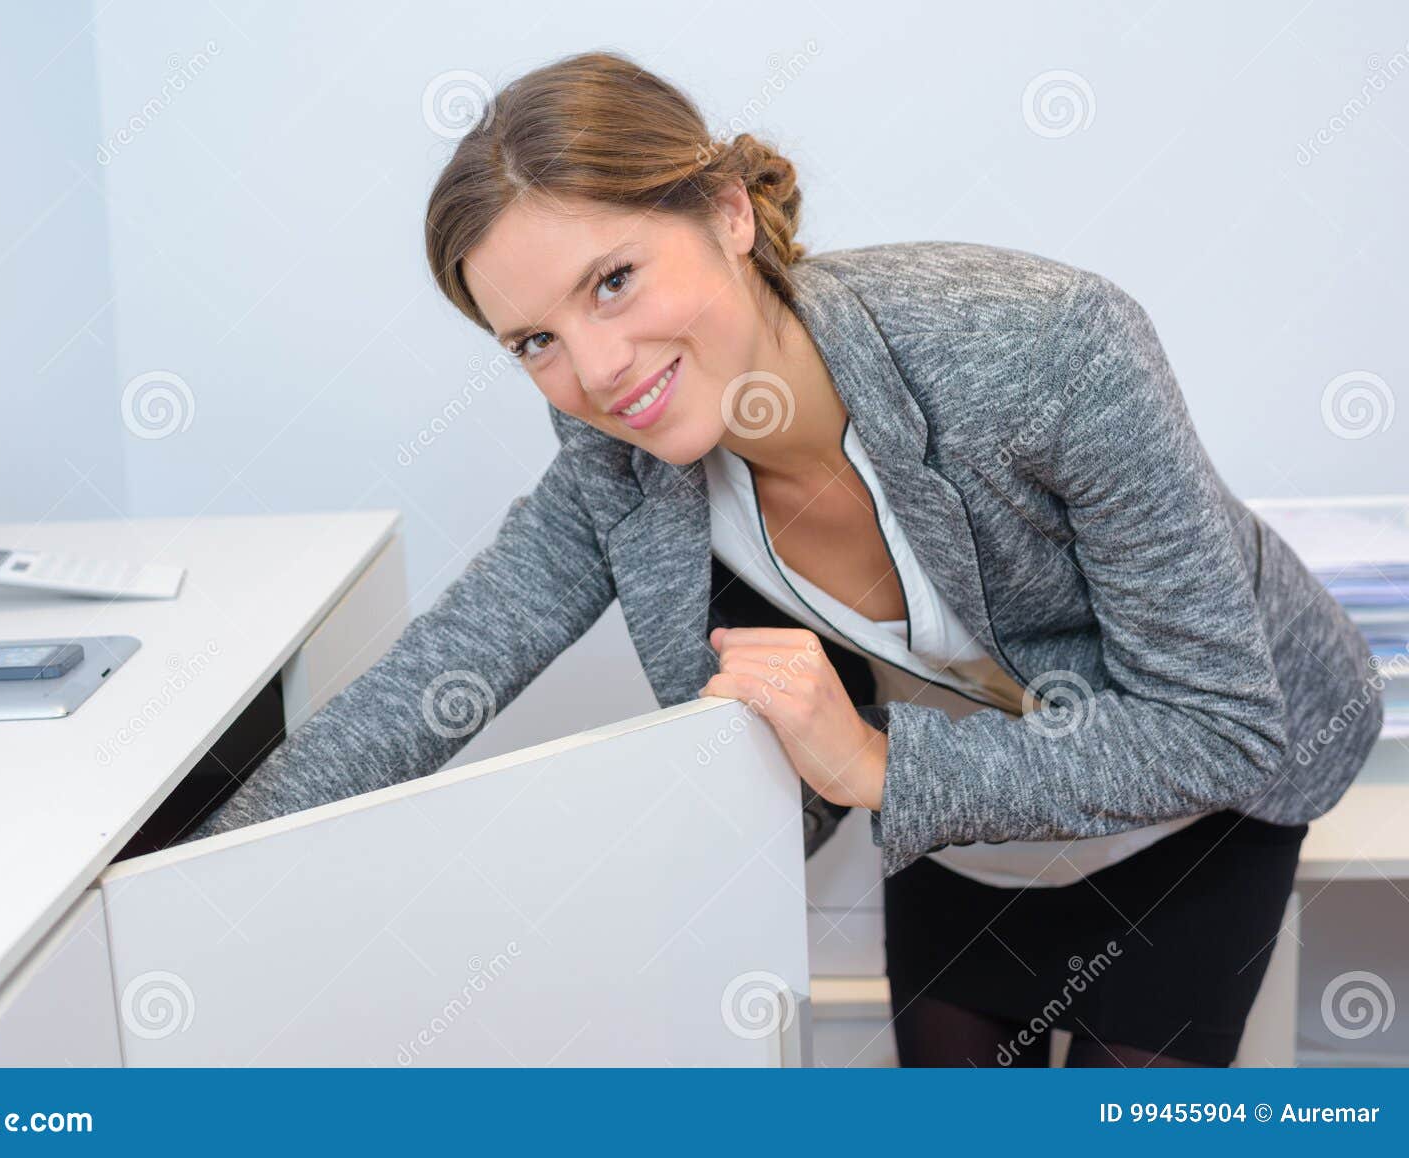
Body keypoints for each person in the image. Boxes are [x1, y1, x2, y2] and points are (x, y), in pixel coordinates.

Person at [192, 50, 1383, 1067]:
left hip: (1196, 804)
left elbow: (1219, 724)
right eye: (536, 340)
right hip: (954, 813)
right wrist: (160, 898)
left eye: (613, 280)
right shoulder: (617, 459)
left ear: (724, 212)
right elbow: (430, 679)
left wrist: (870, 760)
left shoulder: (1042, 345)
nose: (599, 370)